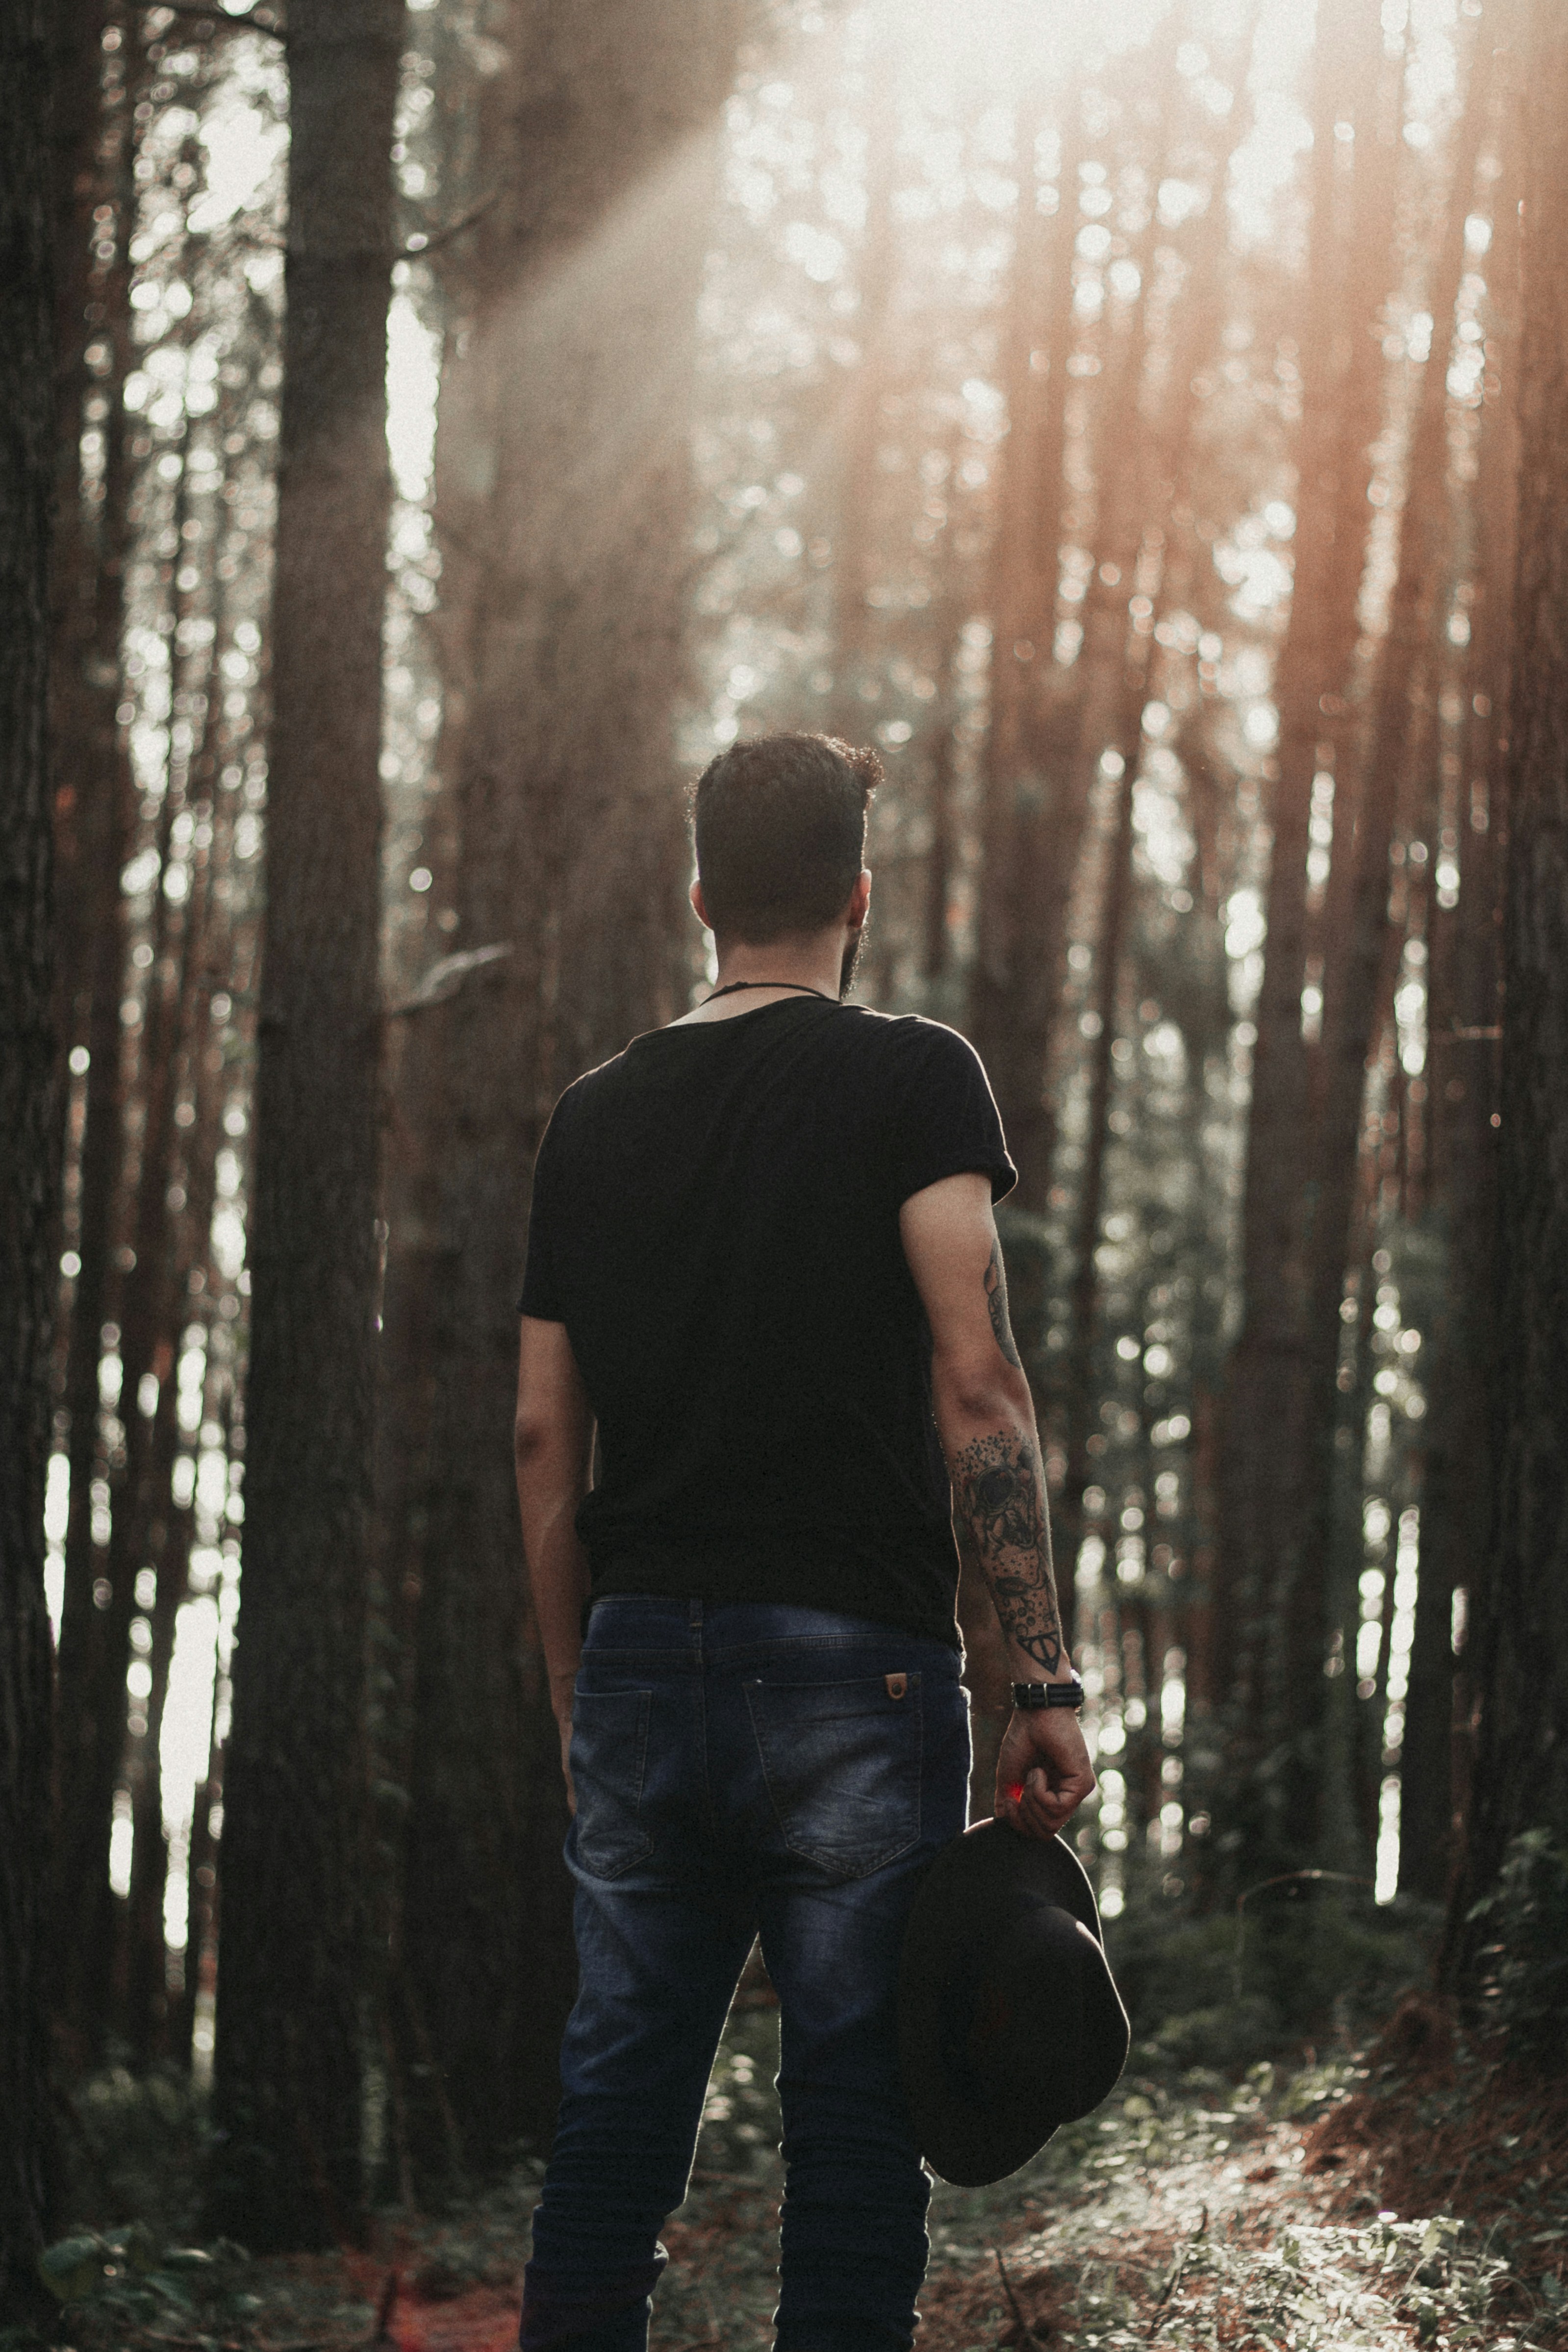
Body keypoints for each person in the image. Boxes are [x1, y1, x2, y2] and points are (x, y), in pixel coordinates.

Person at [513, 732, 1095, 2352]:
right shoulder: (917, 1078)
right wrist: (1040, 1670)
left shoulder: (589, 1120)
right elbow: (978, 1383)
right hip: (858, 1675)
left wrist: (580, 1687)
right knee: (853, 2129)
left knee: (615, 2122)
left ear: (700, 894)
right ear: (857, 893)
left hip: (639, 1659)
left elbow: (544, 1436)